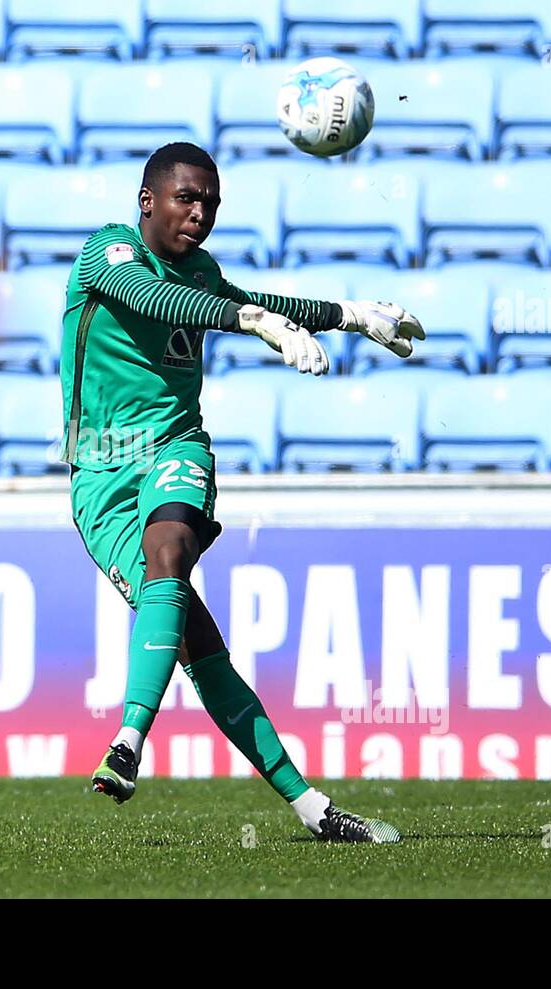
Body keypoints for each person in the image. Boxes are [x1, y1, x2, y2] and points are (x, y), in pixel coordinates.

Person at [61, 142, 424, 843]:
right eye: (185, 199)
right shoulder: (106, 253)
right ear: (148, 202)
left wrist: (347, 312)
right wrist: (253, 321)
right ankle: (312, 807)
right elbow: (156, 298)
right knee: (196, 640)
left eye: (211, 204)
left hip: (173, 448)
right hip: (101, 474)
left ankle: (129, 740)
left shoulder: (202, 273)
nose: (200, 214)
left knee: (168, 549)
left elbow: (240, 300)